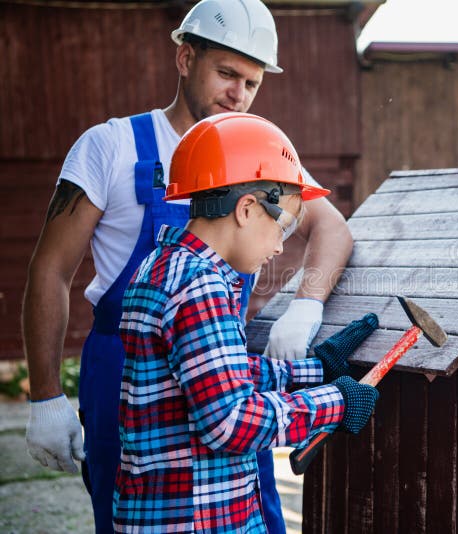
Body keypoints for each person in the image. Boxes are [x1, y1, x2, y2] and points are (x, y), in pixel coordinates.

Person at [21, 1, 353, 532]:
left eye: (251, 82)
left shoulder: (256, 153)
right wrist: (44, 395)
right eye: (226, 73)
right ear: (185, 57)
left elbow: (332, 227)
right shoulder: (111, 146)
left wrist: (307, 307)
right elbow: (51, 271)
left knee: (242, 505)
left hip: (218, 355)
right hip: (126, 367)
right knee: (134, 508)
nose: (238, 95)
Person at [113, 112, 377, 533]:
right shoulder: (201, 286)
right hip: (198, 519)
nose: (278, 247)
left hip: (161, 512)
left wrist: (316, 370)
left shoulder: (162, 267)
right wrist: (335, 402)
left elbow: (215, 372)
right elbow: (230, 420)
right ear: (247, 208)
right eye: (283, 227)